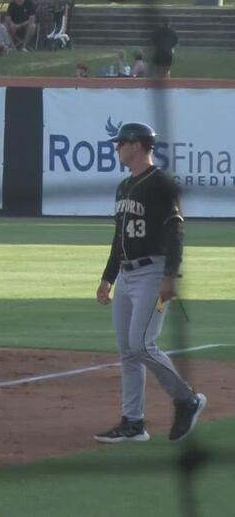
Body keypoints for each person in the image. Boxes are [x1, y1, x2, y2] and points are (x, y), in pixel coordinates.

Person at [93, 122, 207, 444]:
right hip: (127, 275)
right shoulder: (124, 187)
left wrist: (171, 275)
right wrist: (107, 277)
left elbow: (176, 229)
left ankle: (187, 399)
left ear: (138, 145)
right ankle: (133, 422)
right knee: (128, 351)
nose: (117, 148)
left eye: (121, 143)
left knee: (142, 344)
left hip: (153, 274)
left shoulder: (161, 183)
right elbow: (119, 239)